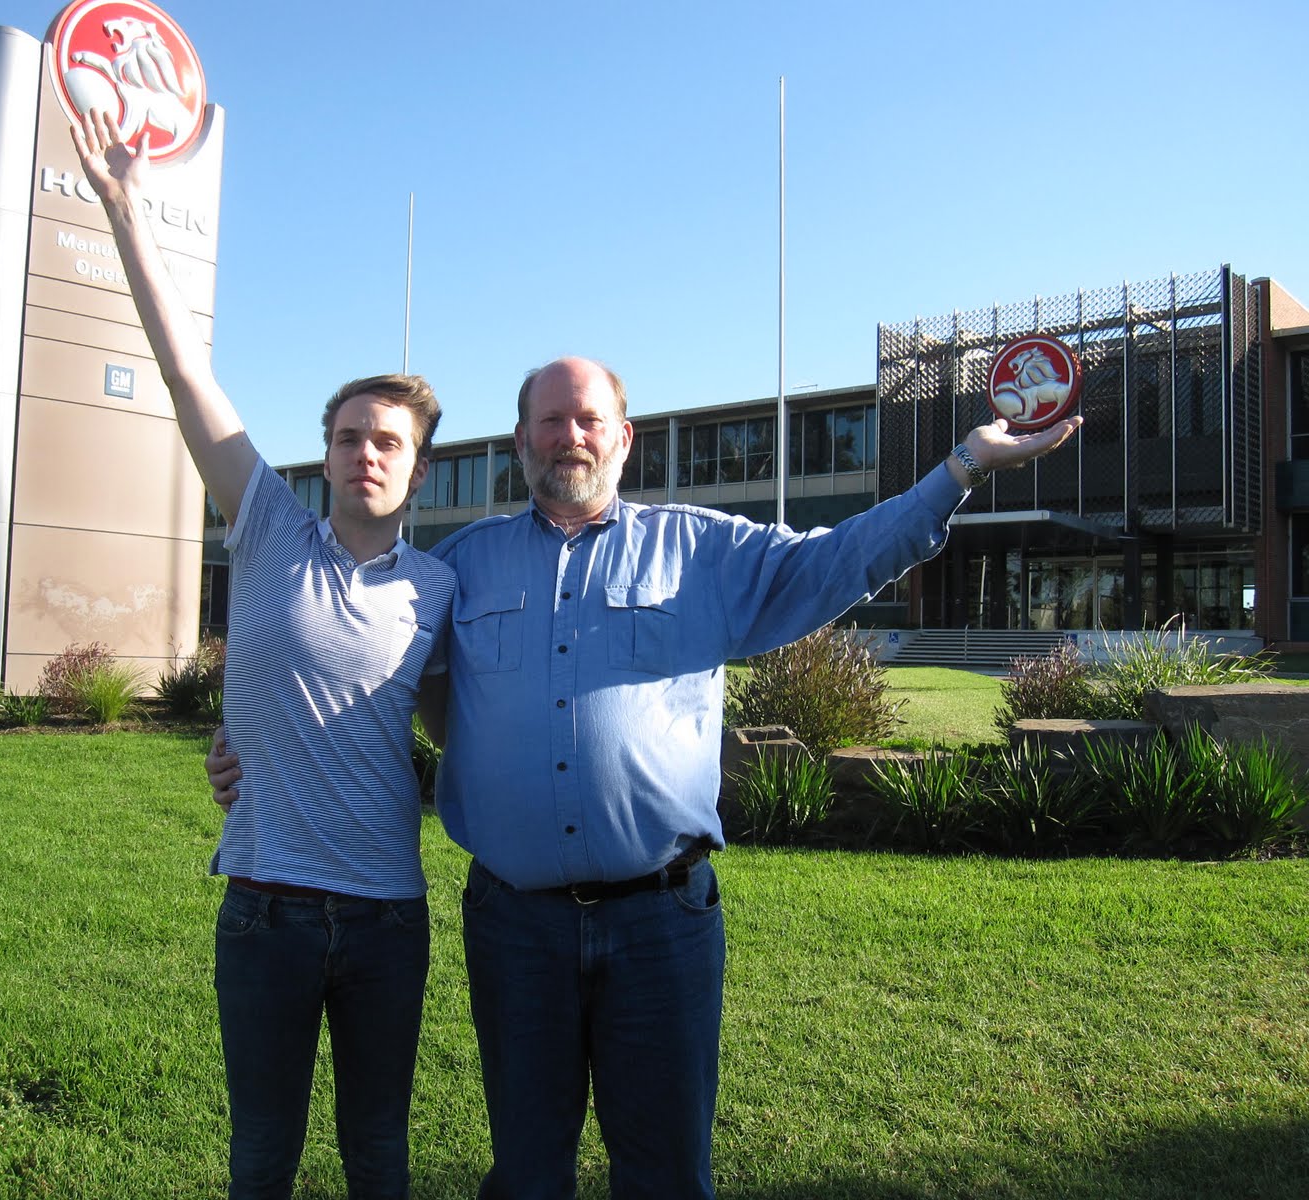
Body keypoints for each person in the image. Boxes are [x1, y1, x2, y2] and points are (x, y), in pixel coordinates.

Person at [211, 360, 1080, 1198]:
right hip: (516, 930)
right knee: (525, 1175)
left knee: (666, 1174)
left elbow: (836, 561)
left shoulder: (700, 551)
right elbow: (369, 678)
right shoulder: (459, 569)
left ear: (623, 439)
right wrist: (245, 736)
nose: (570, 436)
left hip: (662, 924)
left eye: (589, 419)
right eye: (550, 420)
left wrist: (961, 468)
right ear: (521, 441)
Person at [70, 110, 455, 1200]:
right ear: (322, 452)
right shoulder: (266, 524)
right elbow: (184, 369)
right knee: (260, 1157)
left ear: (415, 472)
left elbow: (456, 719)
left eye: (389, 444)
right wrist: (123, 209)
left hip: (387, 917)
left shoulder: (441, 587)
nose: (366, 455)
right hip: (265, 910)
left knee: (379, 1152)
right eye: (349, 437)